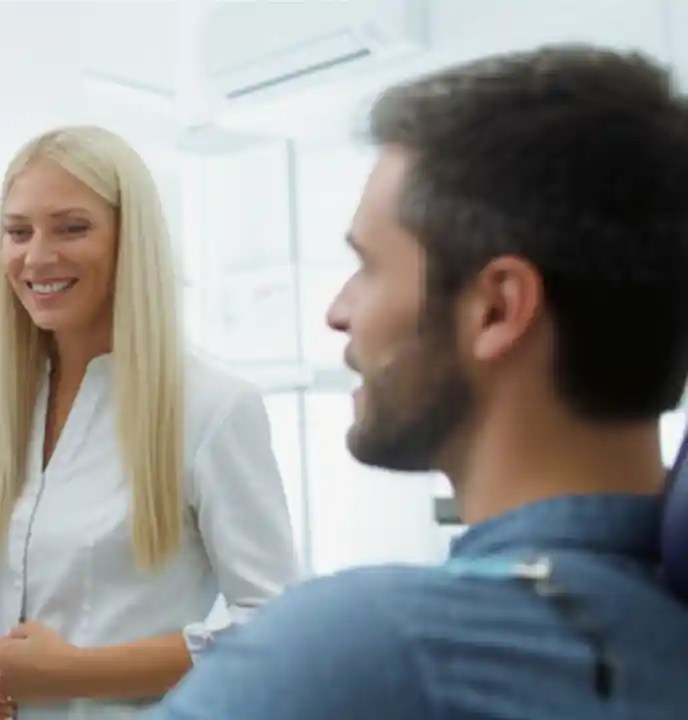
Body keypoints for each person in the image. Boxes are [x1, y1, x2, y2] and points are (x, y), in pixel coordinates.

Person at [146, 44, 688, 719]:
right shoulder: (657, 631)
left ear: (496, 308)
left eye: (368, 266)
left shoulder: (374, 652)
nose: (339, 311)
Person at [0, 125, 299, 720]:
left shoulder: (212, 407)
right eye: (18, 232)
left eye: (72, 228)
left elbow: (278, 628)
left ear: (131, 241)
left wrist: (78, 673)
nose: (37, 256)